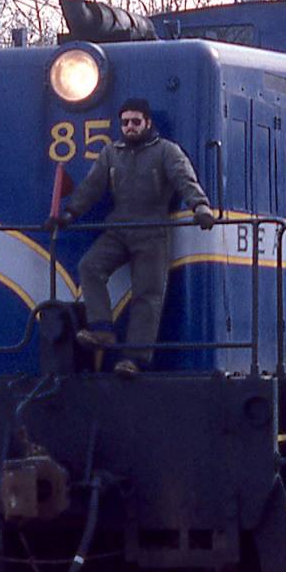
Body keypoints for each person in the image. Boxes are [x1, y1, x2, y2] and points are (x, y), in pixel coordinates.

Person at [55, 98, 217, 375]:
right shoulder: (111, 154)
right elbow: (91, 187)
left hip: (153, 231)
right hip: (118, 228)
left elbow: (184, 179)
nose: (130, 127)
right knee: (89, 266)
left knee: (147, 294)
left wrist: (200, 206)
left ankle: (135, 358)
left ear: (148, 123)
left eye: (135, 122)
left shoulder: (166, 151)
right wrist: (69, 213)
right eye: (125, 122)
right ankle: (103, 329)